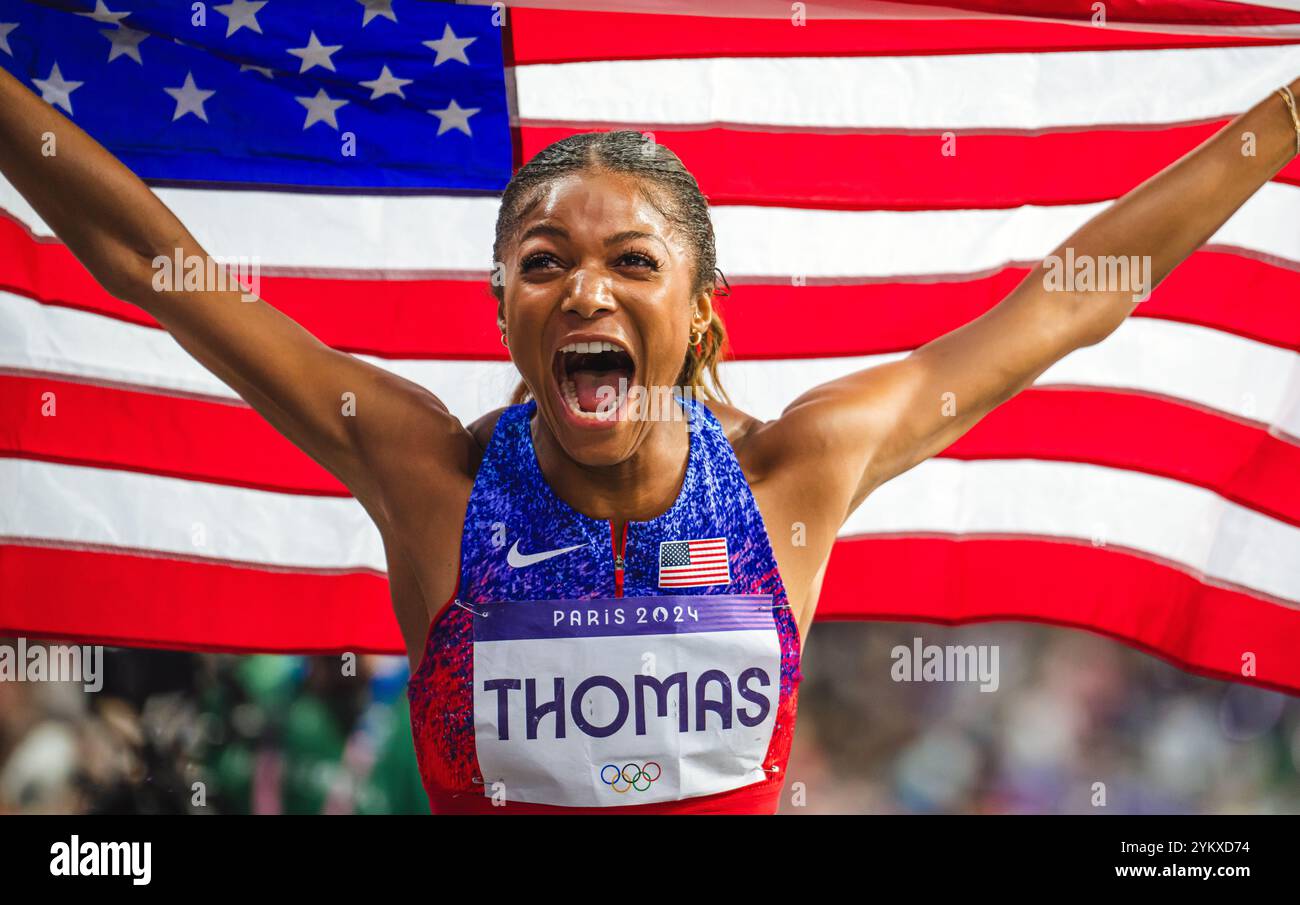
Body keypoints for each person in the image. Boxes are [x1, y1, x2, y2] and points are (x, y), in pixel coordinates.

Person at [2, 64, 1297, 814]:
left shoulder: (799, 466)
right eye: (544, 261)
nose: (586, 290)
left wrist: (1282, 124)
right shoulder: (423, 473)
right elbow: (159, 268)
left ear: (699, 311)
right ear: (503, 303)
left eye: (633, 261)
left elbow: (1073, 299)